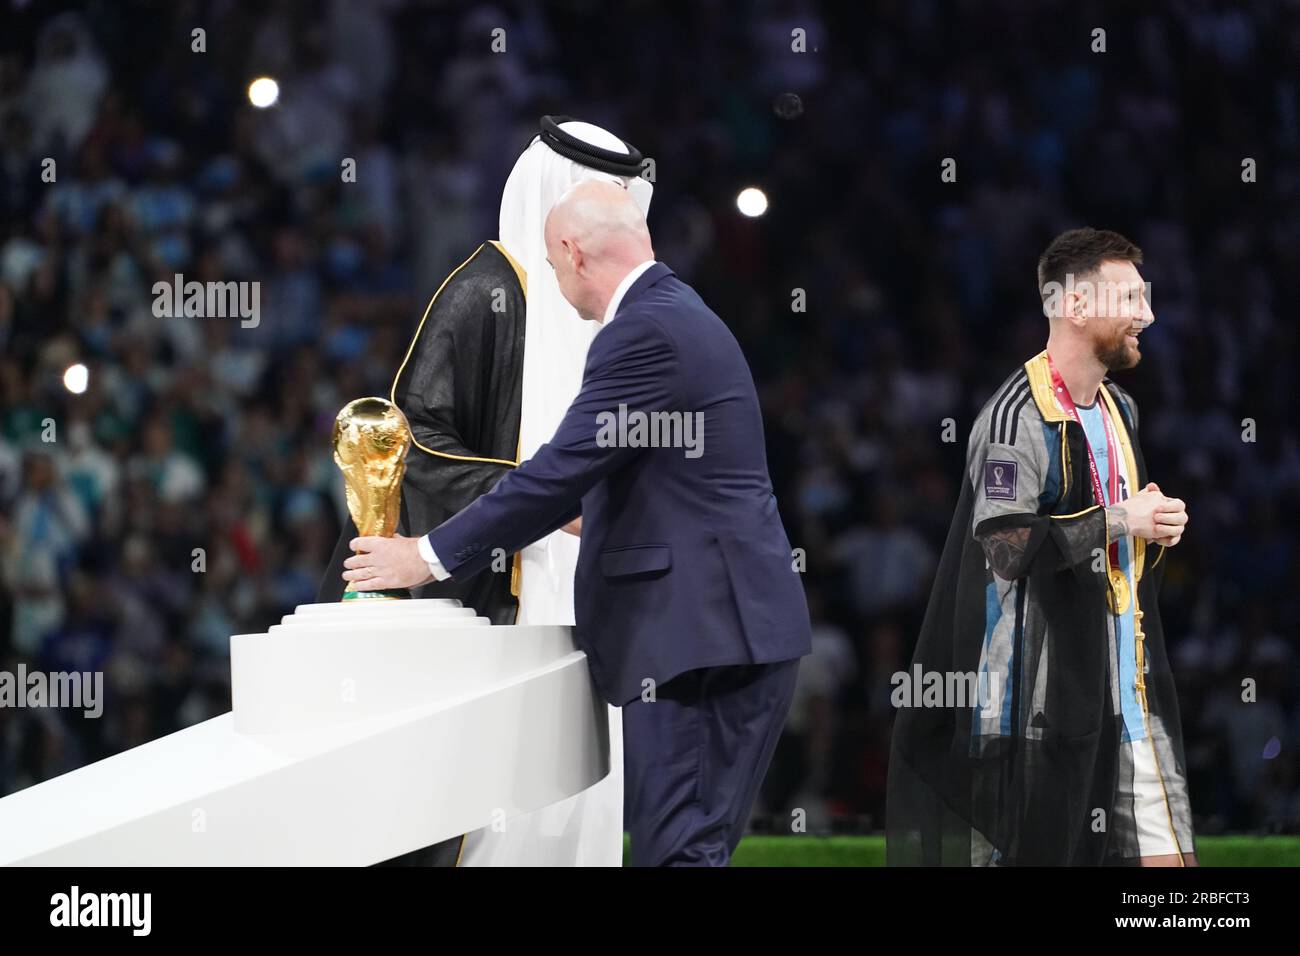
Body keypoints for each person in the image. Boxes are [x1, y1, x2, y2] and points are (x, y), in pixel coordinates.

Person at [341, 181, 812, 866]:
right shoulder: (680, 313)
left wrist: (429, 556)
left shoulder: (643, 331)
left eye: (554, 269)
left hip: (702, 641)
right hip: (723, 632)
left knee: (677, 854)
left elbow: (559, 471)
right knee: (686, 851)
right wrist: (601, 516)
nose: (557, 285)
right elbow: (667, 482)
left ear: (571, 252)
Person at [321, 117, 652, 867]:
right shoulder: (484, 291)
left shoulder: (613, 316)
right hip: (501, 596)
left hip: (588, 585)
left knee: (580, 808)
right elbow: (420, 445)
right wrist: (541, 502)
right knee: (495, 816)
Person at [886, 227, 1197, 866]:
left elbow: (1110, 545)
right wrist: (1121, 518)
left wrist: (1153, 528)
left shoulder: (1121, 411)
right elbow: (1006, 549)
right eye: (1132, 298)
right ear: (1077, 306)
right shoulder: (1014, 417)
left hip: (1124, 690)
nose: (1148, 314)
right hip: (1035, 706)